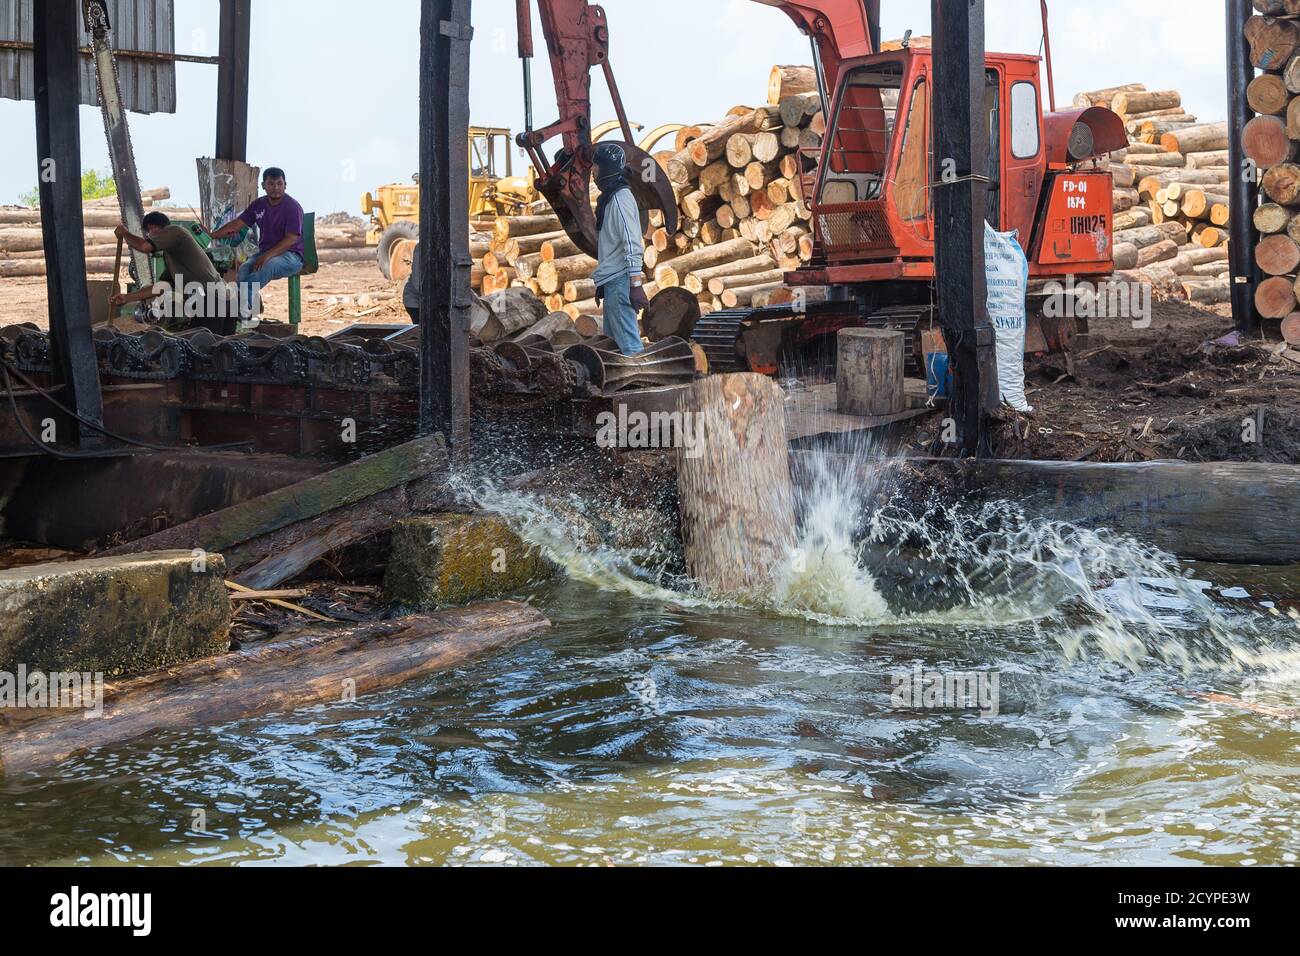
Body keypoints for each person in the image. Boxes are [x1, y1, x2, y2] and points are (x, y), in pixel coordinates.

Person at [110, 213, 237, 334]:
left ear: (152, 227)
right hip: (226, 299)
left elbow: (144, 247)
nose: (149, 237)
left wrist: (124, 233)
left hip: (211, 299)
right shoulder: (176, 258)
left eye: (148, 234)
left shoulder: (174, 231)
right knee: (221, 350)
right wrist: (127, 298)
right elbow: (160, 288)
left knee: (202, 350)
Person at [210, 167, 304, 317]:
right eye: (271, 184)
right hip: (266, 254)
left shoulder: (292, 207)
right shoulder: (258, 205)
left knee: (257, 275)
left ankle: (242, 317)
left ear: (285, 185)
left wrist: (267, 257)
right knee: (244, 270)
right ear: (263, 185)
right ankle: (251, 312)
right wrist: (211, 235)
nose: (276, 188)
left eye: (279, 184)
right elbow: (237, 224)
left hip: (291, 257)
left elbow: (291, 238)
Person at [589, 143, 649, 356]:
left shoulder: (620, 198)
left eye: (595, 168)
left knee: (630, 349)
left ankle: (644, 386)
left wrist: (635, 285)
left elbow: (632, 243)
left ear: (605, 169)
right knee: (613, 348)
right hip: (614, 281)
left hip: (621, 282)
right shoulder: (611, 197)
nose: (593, 173)